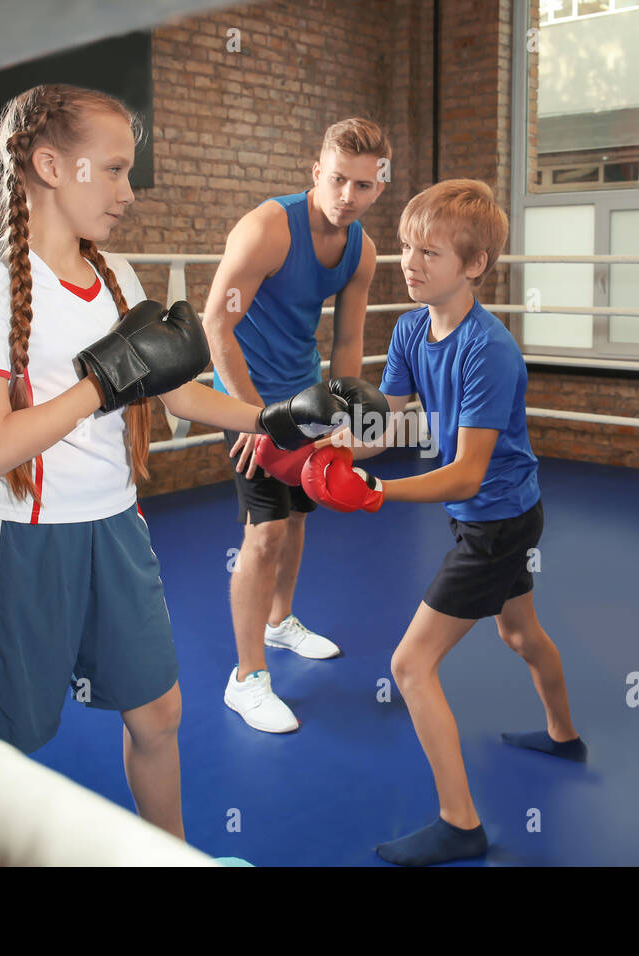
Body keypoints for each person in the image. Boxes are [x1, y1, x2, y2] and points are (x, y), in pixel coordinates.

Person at [0, 84, 343, 866]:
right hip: (23, 547)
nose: (128, 192)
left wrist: (278, 414)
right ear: (49, 165)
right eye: (112, 171)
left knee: (159, 715)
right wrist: (100, 383)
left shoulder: (116, 275)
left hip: (117, 530)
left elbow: (172, 388)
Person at [298, 179, 587, 866]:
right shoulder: (410, 329)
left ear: (475, 265)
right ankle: (564, 736)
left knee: (410, 664)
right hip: (492, 512)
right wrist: (335, 445)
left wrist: (375, 492)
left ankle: (461, 823)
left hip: (497, 520)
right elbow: (392, 422)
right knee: (520, 633)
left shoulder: (488, 351)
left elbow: (465, 473)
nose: (410, 262)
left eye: (429, 251)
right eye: (405, 247)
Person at [202, 118, 391, 733]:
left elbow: (350, 337)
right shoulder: (268, 229)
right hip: (246, 394)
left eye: (363, 186)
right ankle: (247, 679)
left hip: (306, 396)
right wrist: (255, 421)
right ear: (317, 172)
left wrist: (341, 413)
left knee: (300, 511)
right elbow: (215, 327)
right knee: (265, 533)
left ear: (378, 188)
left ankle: (281, 622)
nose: (347, 196)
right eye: (338, 179)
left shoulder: (359, 248)